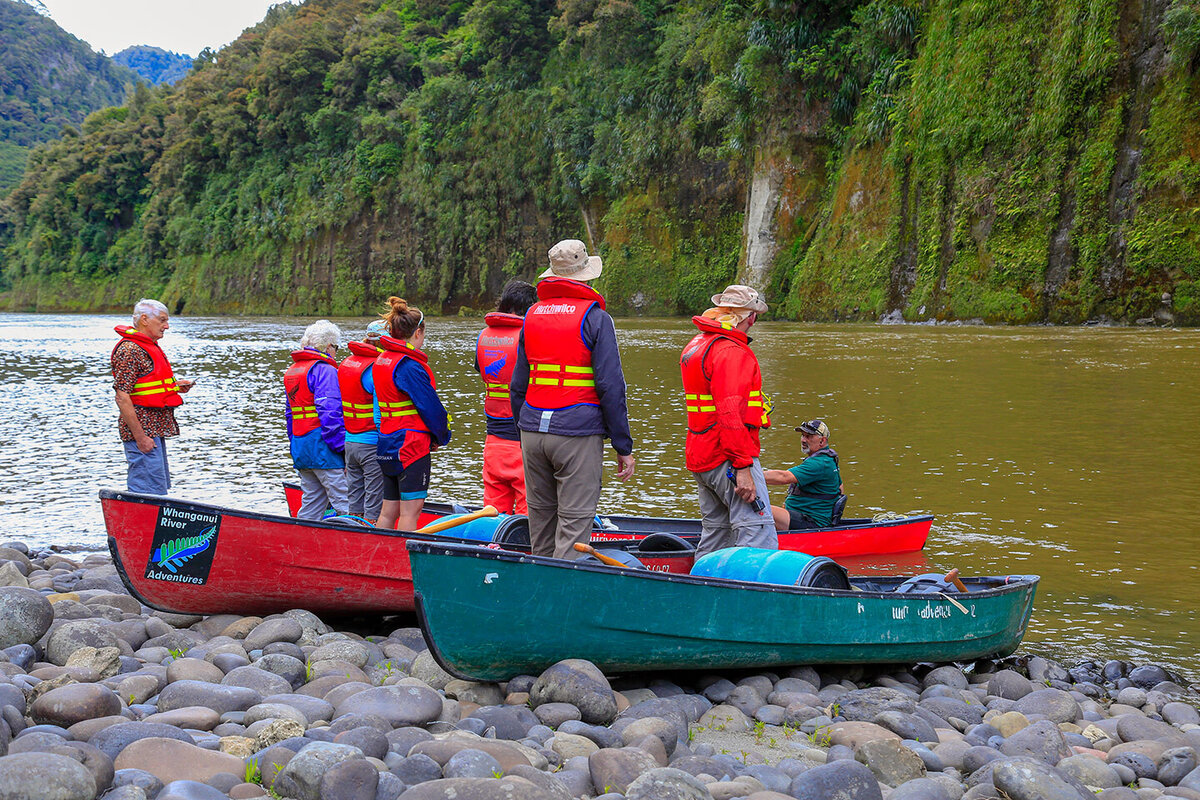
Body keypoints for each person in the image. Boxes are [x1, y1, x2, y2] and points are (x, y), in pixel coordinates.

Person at [510, 239, 635, 559]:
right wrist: (623, 446)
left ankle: (537, 597)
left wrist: (524, 429)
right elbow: (610, 386)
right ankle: (561, 604)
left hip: (532, 430)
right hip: (576, 433)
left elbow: (518, 386)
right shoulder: (596, 318)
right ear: (585, 276)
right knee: (573, 529)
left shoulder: (532, 315)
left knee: (541, 525)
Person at [679, 285, 775, 557]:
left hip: (701, 454)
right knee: (757, 533)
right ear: (751, 317)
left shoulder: (698, 344)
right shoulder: (732, 352)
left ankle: (703, 588)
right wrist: (743, 467)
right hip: (728, 458)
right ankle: (747, 594)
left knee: (716, 534)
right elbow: (730, 414)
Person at [373, 297, 451, 531]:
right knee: (410, 512)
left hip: (387, 442)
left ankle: (378, 557)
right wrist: (441, 436)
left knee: (388, 511)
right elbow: (430, 407)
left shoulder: (382, 360)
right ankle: (402, 563)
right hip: (411, 446)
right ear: (417, 333)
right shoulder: (410, 366)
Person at [111, 299, 195, 494]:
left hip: (153, 430)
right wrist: (140, 437)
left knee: (156, 487)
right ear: (144, 319)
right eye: (162, 320)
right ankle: (138, 523)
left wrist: (174, 387)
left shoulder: (146, 347)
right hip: (143, 431)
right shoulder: (130, 351)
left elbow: (144, 387)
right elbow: (122, 397)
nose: (167, 326)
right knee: (145, 490)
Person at [475, 280, 537, 514]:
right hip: (523, 441)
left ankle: (492, 547)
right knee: (527, 516)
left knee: (493, 512)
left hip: (493, 442)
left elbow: (482, 370)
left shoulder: (483, 337)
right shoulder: (528, 336)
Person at [284, 320, 348, 520]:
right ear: (328, 346)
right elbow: (330, 412)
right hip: (323, 449)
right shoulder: (325, 370)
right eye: (336, 347)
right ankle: (364, 541)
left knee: (312, 502)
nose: (336, 352)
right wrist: (343, 448)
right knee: (346, 502)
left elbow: (289, 416)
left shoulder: (293, 371)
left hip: (301, 447)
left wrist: (295, 444)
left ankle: (300, 542)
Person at [338, 320, 388, 523]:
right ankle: (370, 539)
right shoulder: (375, 368)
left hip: (349, 443)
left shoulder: (346, 364)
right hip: (370, 444)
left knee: (355, 504)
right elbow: (379, 415)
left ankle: (351, 534)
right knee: (374, 505)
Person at [765, 419, 845, 530]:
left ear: (822, 441)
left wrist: (751, 476)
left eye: (809, 436)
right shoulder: (828, 460)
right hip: (805, 517)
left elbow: (784, 477)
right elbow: (840, 489)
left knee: (760, 510)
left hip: (811, 522)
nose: (803, 440)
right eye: (803, 435)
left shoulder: (819, 463)